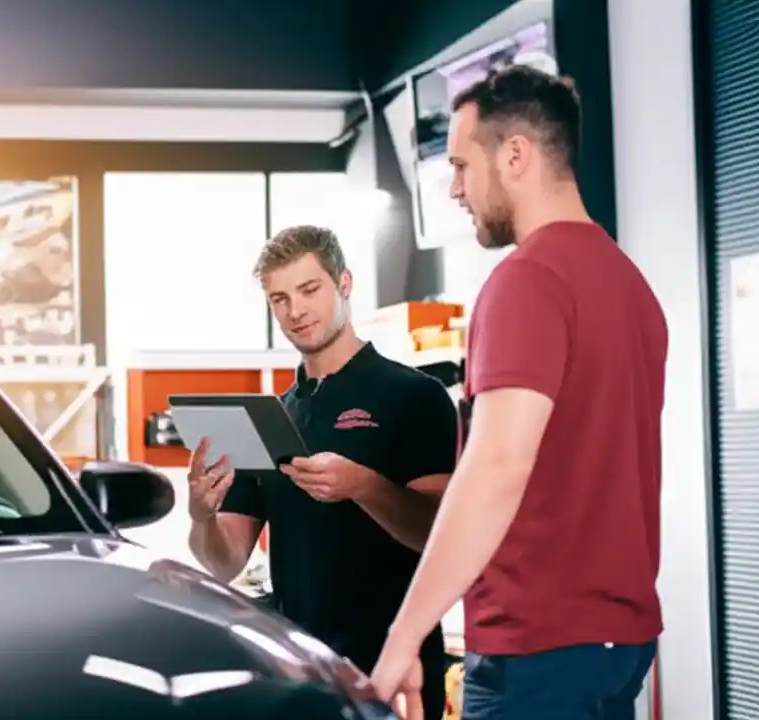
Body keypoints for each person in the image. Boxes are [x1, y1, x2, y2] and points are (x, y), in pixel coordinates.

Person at [369, 66, 667, 719]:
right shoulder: (631, 285)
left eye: (460, 166)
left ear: (515, 155)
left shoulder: (527, 281)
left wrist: (404, 635)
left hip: (538, 651)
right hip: (615, 646)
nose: (454, 189)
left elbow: (496, 469)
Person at [186, 225, 459, 720]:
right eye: (280, 299)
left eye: (309, 290)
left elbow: (438, 535)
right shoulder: (270, 420)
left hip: (394, 669)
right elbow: (224, 562)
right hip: (299, 674)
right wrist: (202, 515)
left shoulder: (415, 397)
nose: (295, 310)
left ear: (344, 283)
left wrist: (364, 486)